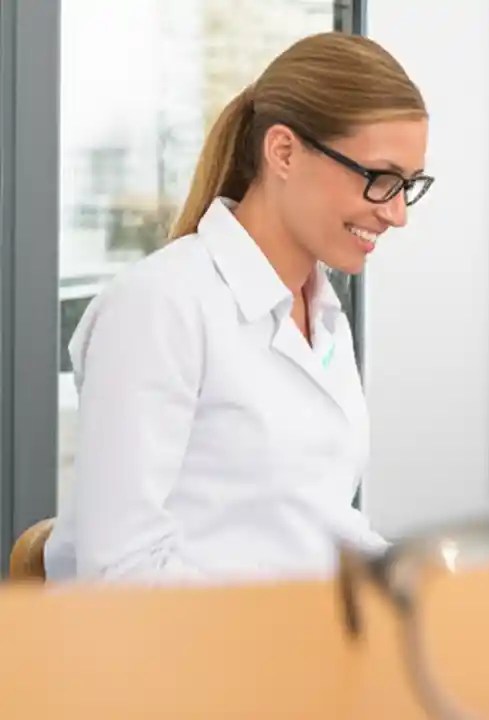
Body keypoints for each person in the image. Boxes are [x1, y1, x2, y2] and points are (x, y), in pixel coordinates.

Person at [43, 32, 433, 583]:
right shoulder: (160, 307)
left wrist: (397, 567)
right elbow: (120, 574)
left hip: (283, 643)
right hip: (178, 656)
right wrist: (285, 638)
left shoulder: (322, 314)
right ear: (283, 152)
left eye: (408, 186)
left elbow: (310, 517)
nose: (397, 215)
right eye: (380, 180)